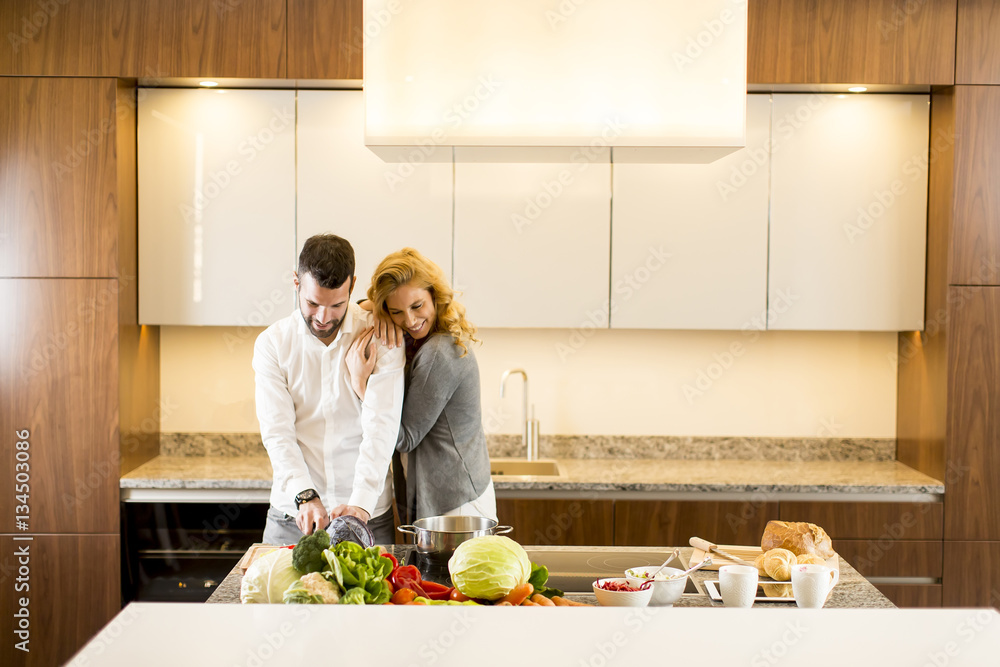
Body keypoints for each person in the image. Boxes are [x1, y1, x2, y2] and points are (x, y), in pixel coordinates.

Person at [253, 234, 404, 545]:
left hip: (367, 516)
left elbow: (382, 427)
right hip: (292, 513)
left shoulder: (381, 336)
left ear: (352, 286)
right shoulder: (273, 344)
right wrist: (304, 494)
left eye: (337, 304)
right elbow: (277, 431)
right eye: (312, 303)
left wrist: (360, 503)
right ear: (296, 282)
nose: (323, 318)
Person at [346, 248, 496, 523]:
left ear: (434, 295)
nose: (410, 321)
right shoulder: (421, 340)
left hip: (456, 504)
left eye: (417, 306)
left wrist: (360, 384)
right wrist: (376, 309)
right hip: (445, 498)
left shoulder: (438, 352)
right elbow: (360, 305)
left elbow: (402, 436)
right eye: (396, 312)